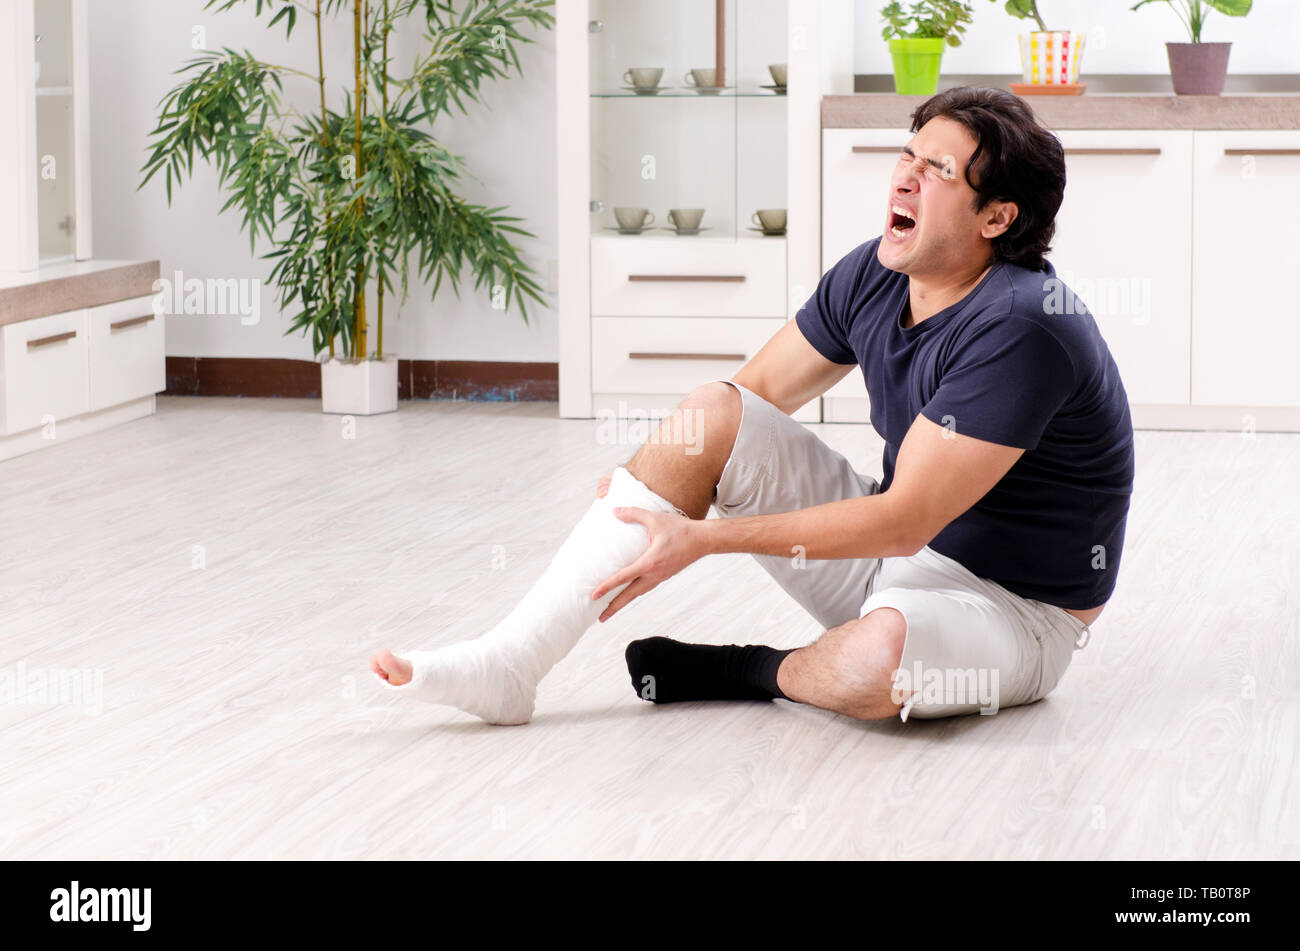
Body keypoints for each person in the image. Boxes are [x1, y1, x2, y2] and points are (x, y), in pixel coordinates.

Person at [370, 85, 1135, 725]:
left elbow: (907, 518)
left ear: (996, 218)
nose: (904, 177)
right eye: (909, 152)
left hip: (1012, 609)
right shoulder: (875, 272)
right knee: (710, 408)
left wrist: (703, 540)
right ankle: (514, 663)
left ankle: (750, 670)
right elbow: (749, 400)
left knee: (876, 662)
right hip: (890, 558)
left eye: (937, 170)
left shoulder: (1026, 323)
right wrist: (653, 475)